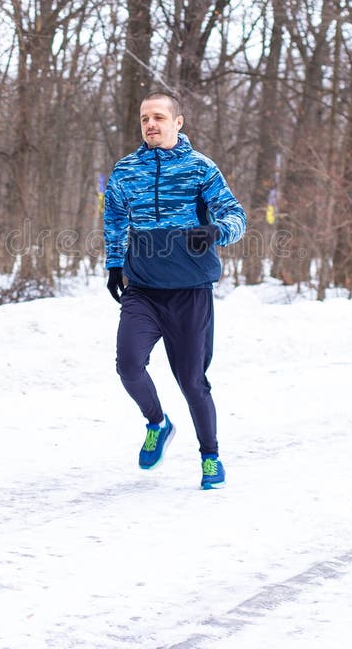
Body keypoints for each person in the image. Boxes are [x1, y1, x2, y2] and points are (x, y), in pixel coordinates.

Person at [103, 90, 246, 489]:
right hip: (143, 289)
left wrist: (216, 230)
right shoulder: (126, 170)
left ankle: (210, 457)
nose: (151, 124)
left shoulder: (201, 169)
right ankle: (157, 423)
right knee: (129, 365)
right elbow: (114, 219)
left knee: (192, 381)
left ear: (177, 122)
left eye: (159, 117)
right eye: (145, 118)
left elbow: (236, 215)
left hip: (189, 291)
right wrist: (114, 265)